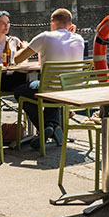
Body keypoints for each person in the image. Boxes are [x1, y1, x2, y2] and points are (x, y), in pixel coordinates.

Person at [12, 8, 85, 148]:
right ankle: (54, 125)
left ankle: (46, 126)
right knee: (50, 89)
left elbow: (17, 59)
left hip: (50, 90)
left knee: (20, 92)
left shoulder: (44, 37)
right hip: (71, 90)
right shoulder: (79, 39)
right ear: (70, 23)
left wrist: (26, 46)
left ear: (52, 22)